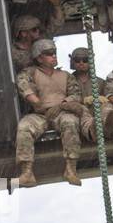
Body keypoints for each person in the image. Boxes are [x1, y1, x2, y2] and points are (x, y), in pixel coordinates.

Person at [15, 39, 84, 187]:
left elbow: (76, 94)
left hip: (62, 112)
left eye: (54, 53)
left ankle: (71, 169)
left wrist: (61, 105)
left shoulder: (66, 75)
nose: (54, 56)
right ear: (39, 57)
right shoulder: (30, 73)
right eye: (49, 54)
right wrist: (37, 103)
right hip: (40, 114)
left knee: (70, 123)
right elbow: (23, 86)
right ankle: (27, 172)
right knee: (24, 127)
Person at [65, 47, 113, 145]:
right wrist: (82, 101)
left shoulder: (100, 82)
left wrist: (103, 99)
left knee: (107, 106)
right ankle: (92, 131)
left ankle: (107, 125)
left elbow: (109, 95)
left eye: (85, 60)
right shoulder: (67, 81)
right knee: (82, 113)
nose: (81, 63)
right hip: (79, 113)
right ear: (73, 62)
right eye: (77, 60)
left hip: (97, 111)